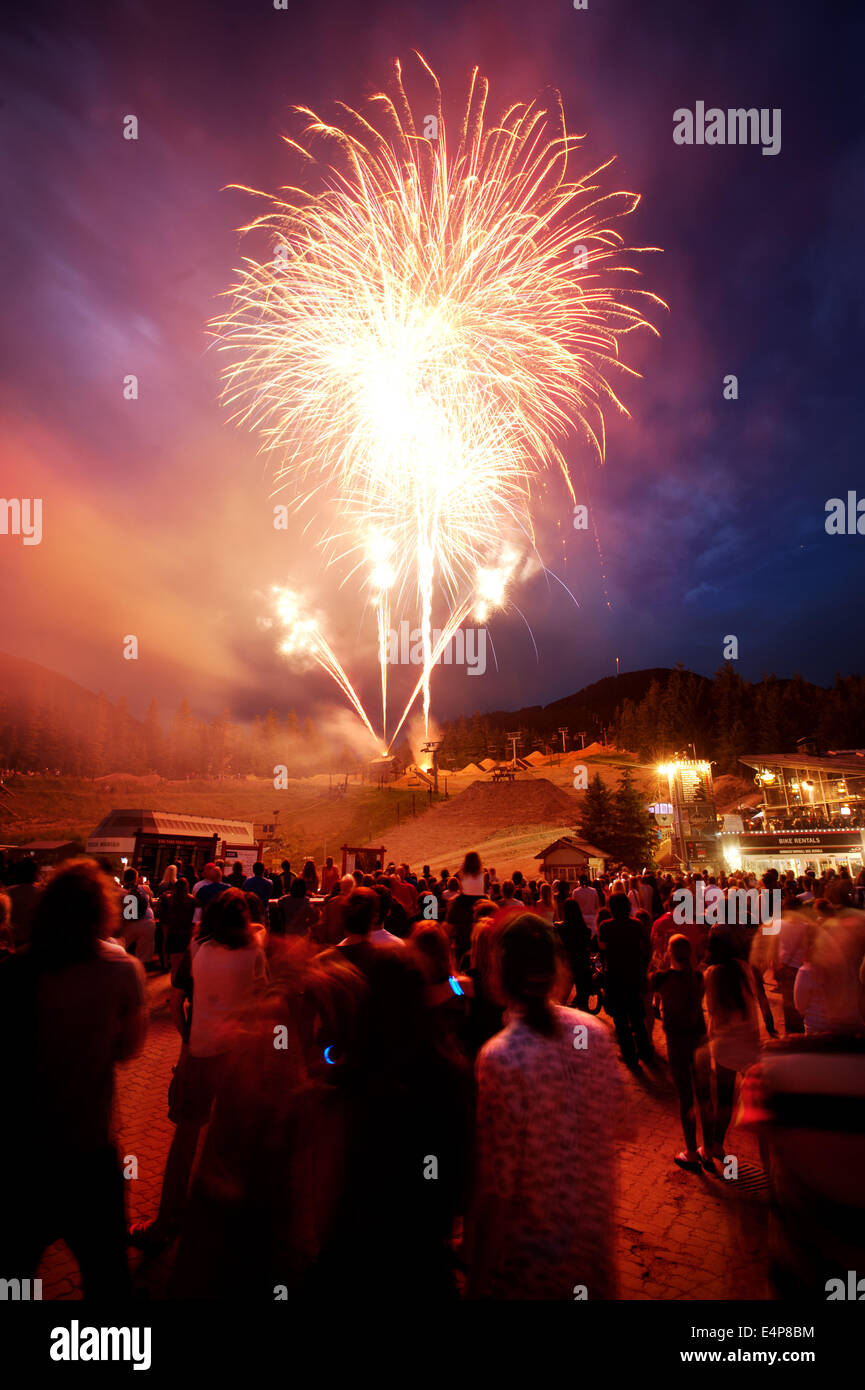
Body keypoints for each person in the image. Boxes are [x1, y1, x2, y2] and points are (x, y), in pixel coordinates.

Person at [0, 859, 147, 1295]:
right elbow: (129, 1051)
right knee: (106, 1273)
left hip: (22, 1149)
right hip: (90, 1146)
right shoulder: (122, 969)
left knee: (14, 1272)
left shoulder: (12, 971)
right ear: (103, 910)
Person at [468, 913, 621, 1299]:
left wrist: (478, 1277)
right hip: (593, 1251)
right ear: (558, 969)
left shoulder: (501, 1057)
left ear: (498, 973)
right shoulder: (595, 1034)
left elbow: (497, 1188)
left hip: (531, 1264)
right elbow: (619, 1125)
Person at [129, 888, 266, 1250]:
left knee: (185, 1138)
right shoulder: (254, 952)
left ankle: (166, 1221)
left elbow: (177, 1002)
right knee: (233, 1137)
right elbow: (262, 996)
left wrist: (187, 1037)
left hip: (201, 1049)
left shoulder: (197, 950)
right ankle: (228, 1223)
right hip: (238, 1054)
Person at [652, 934, 713, 1171]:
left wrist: (657, 963)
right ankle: (707, 1149)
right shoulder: (698, 977)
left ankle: (690, 1150)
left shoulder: (662, 978)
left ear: (670, 953)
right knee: (704, 1095)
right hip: (699, 1038)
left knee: (686, 1097)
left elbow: (645, 986)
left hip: (677, 1042)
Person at [704, 930, 763, 1161]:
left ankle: (717, 1144)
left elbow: (711, 1008)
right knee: (756, 1099)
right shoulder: (745, 968)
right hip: (750, 1041)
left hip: (725, 1045)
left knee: (725, 1097)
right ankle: (766, 1152)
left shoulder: (711, 974)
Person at [597, 893, 653, 1067]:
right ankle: (645, 1052)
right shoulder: (636, 925)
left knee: (620, 1020)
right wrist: (641, 965)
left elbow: (602, 948)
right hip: (633, 974)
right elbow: (648, 948)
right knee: (637, 1016)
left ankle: (629, 1055)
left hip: (614, 976)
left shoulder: (605, 926)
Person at [158, 875, 196, 975]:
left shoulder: (169, 899)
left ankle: (166, 964)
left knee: (166, 944)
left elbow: (163, 914)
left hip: (172, 931)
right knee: (183, 958)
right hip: (185, 932)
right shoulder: (192, 900)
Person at [7, 857, 42, 949]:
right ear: (35, 873)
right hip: (33, 940)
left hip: (13, 939)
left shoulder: (9, 892)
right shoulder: (41, 893)